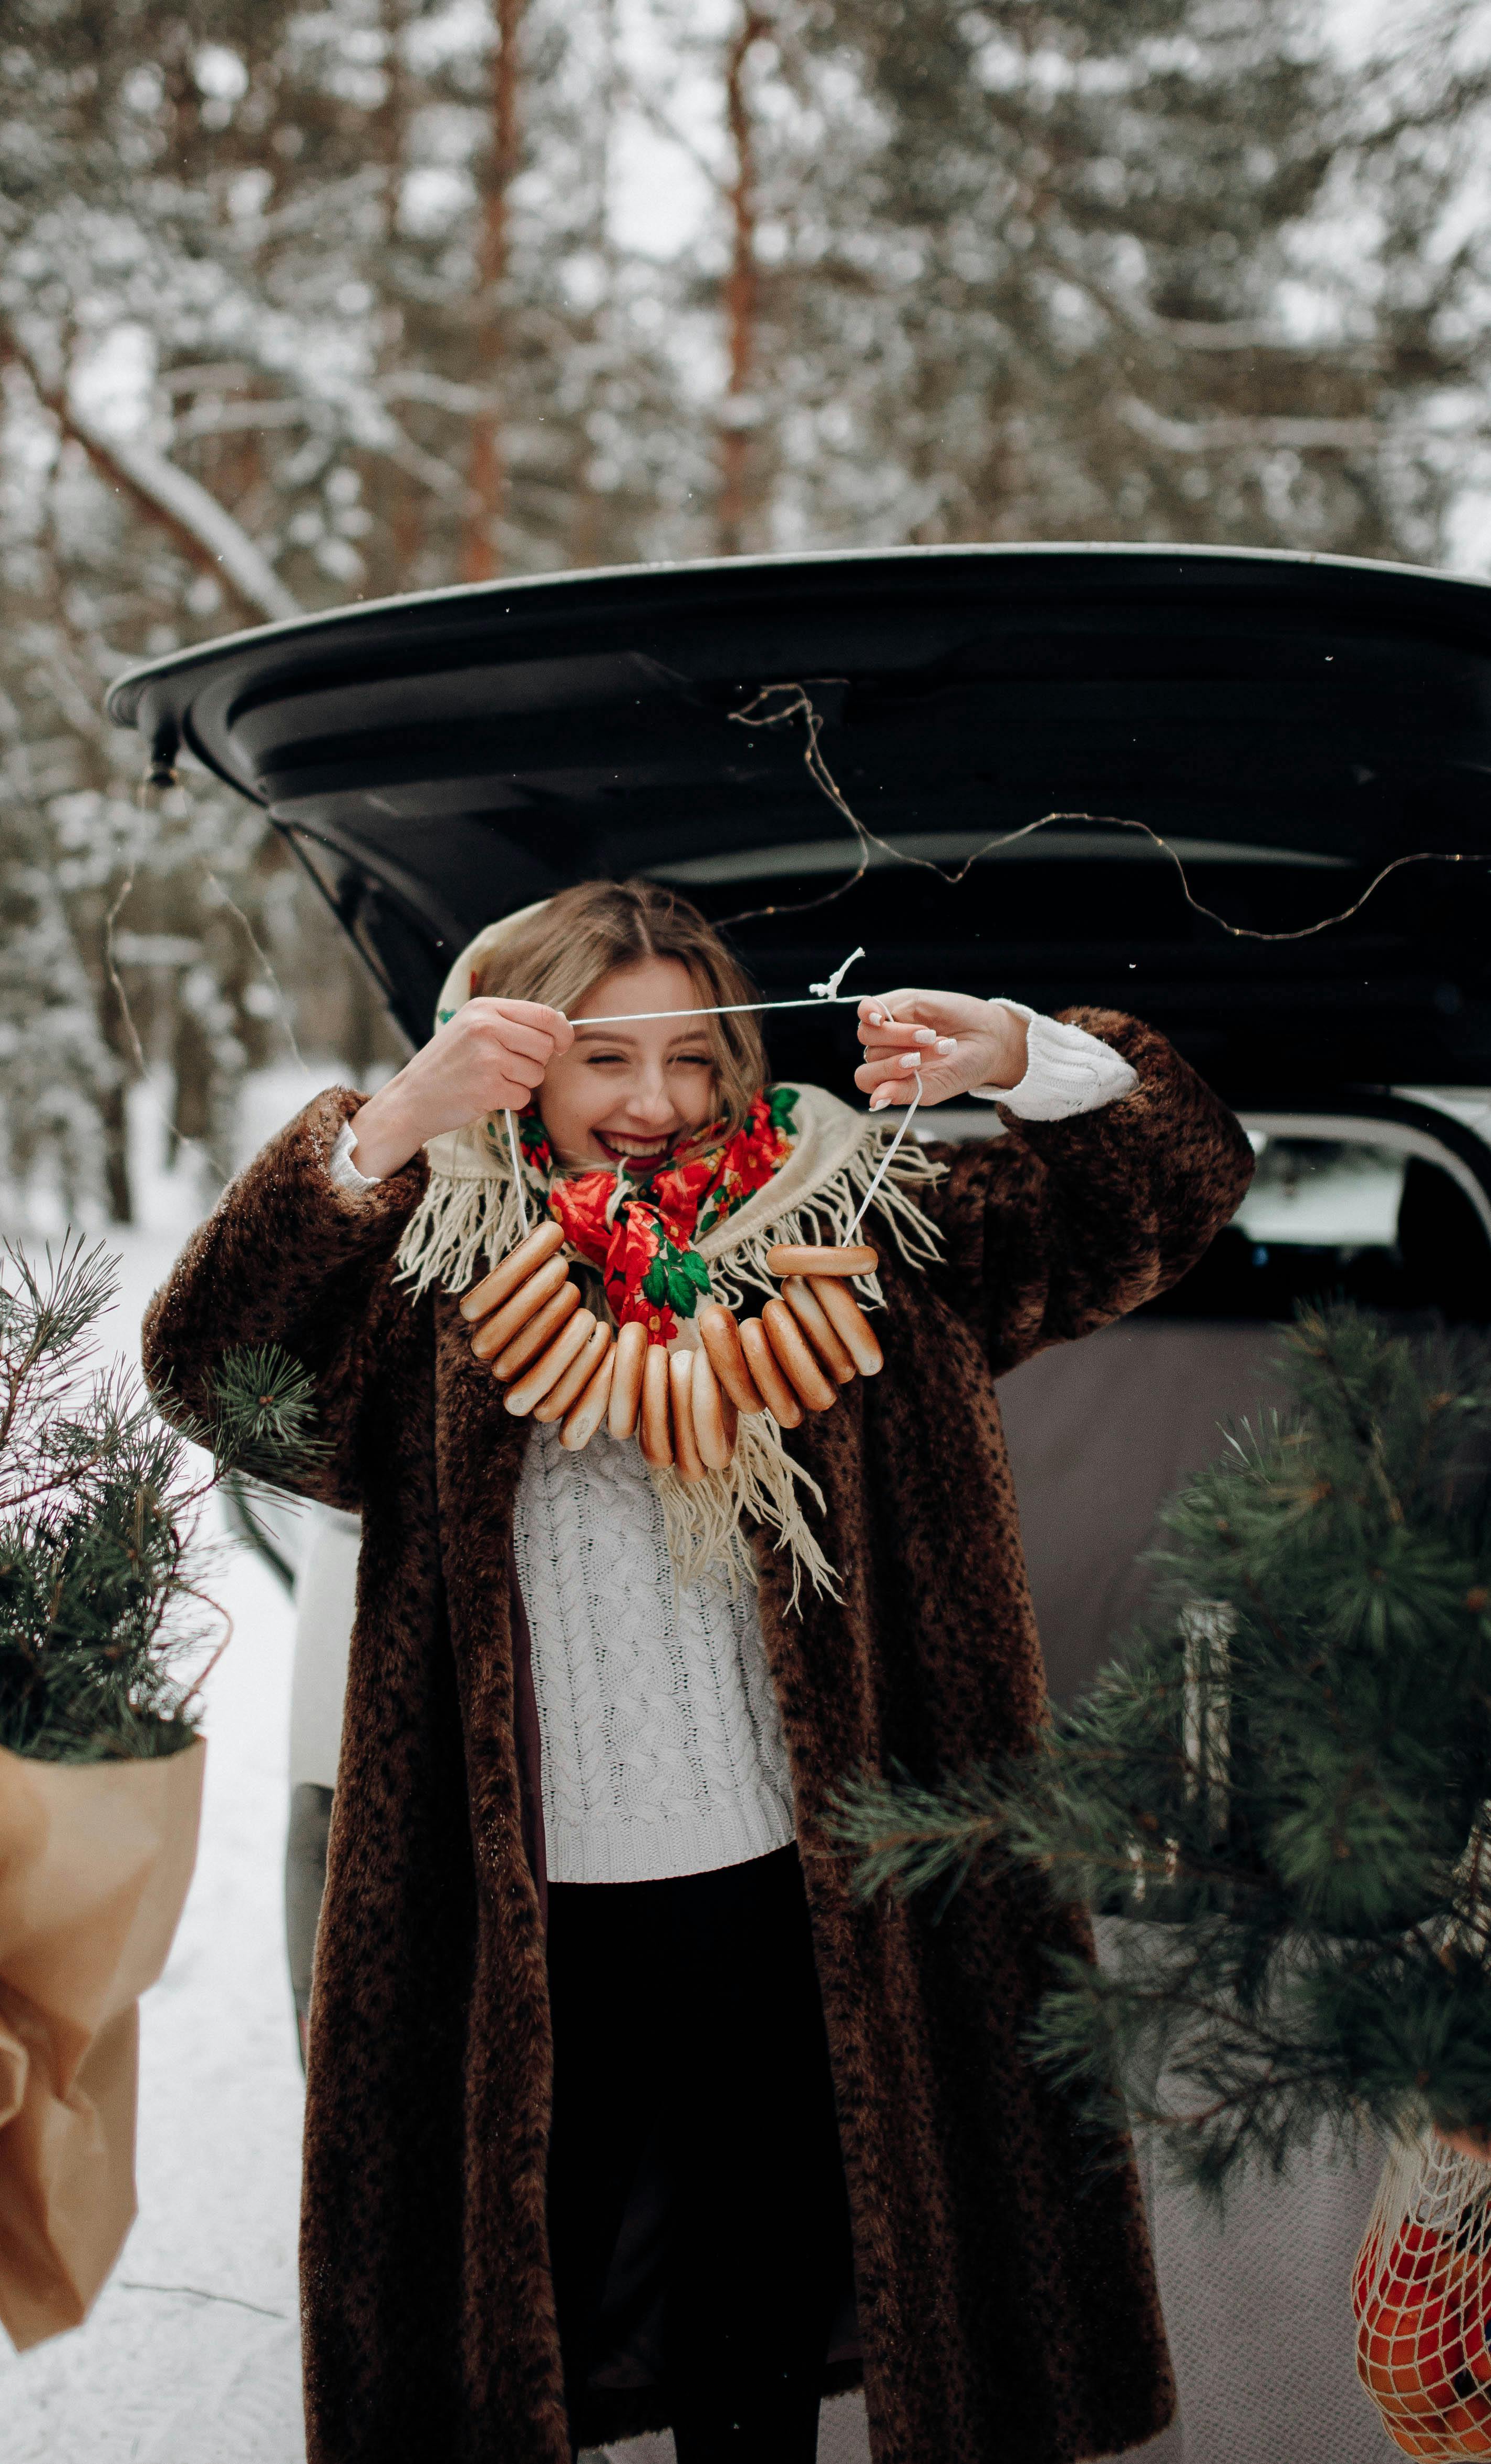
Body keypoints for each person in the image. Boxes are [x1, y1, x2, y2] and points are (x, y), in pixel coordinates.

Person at [142, 879, 1255, 2464]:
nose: (656, 1104)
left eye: (693, 1056)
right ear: (516, 1059)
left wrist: (1022, 1050)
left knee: (762, 2310)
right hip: (520, 1910)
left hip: (799, 1894)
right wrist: (387, 1124)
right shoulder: (429, 1272)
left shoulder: (868, 1234)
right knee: (519, 2319)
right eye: (607, 1059)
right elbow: (207, 1366)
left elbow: (1175, 1183)